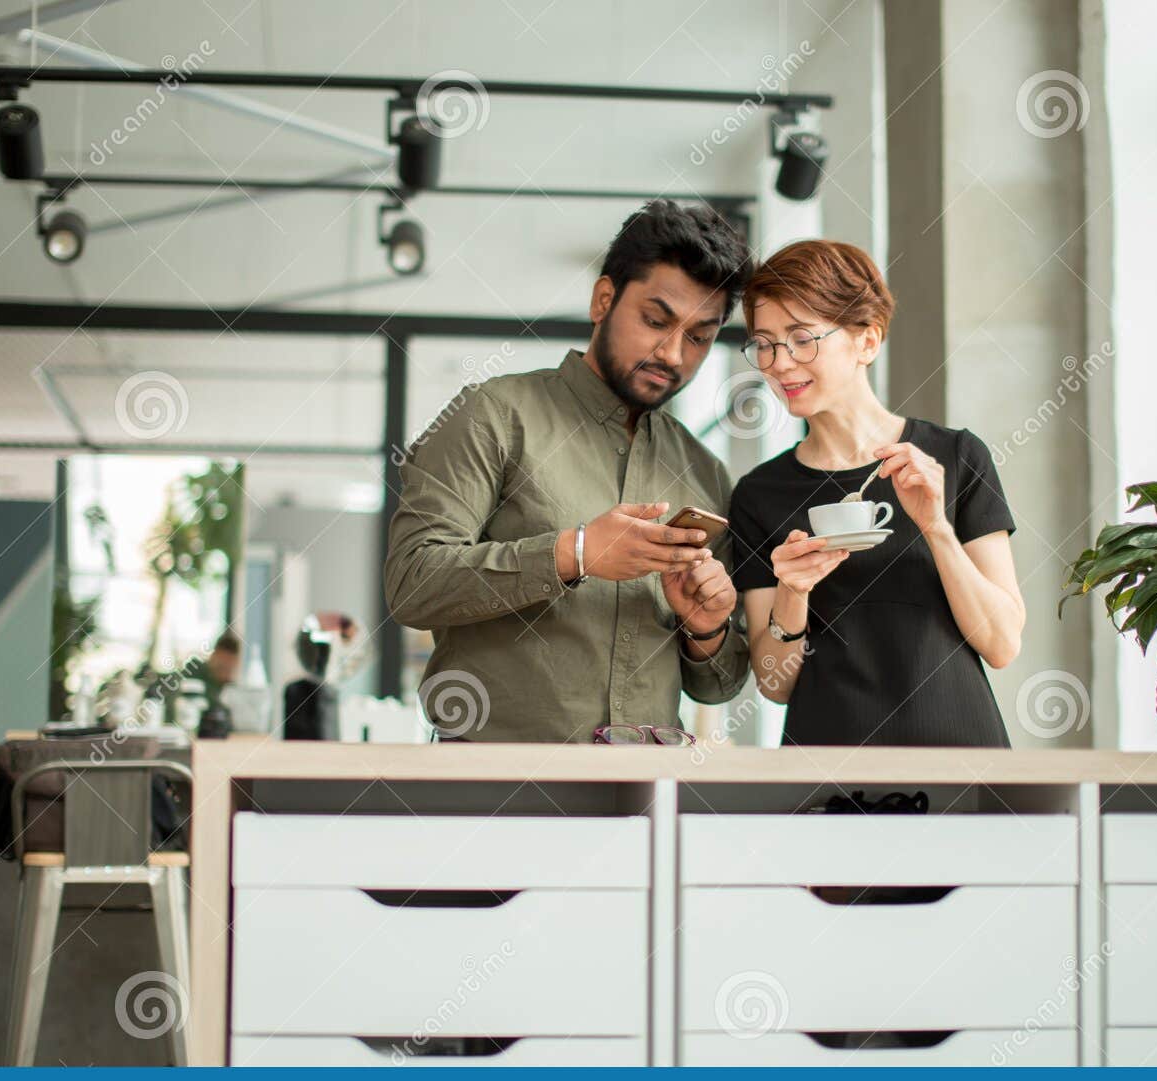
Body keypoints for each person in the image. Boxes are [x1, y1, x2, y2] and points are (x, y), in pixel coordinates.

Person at [385, 200, 753, 742]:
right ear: (604, 300)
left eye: (699, 335)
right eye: (656, 320)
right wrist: (575, 553)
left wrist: (707, 629)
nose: (673, 353)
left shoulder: (703, 471)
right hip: (499, 791)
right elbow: (412, 584)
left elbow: (719, 686)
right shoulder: (494, 415)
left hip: (646, 796)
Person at [727, 240, 1026, 746]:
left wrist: (936, 528)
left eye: (801, 339)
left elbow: (1001, 644)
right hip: (828, 773)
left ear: (866, 342)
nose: (779, 363)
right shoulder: (759, 494)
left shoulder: (953, 459)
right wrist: (793, 592)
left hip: (963, 763)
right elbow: (776, 686)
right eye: (765, 343)